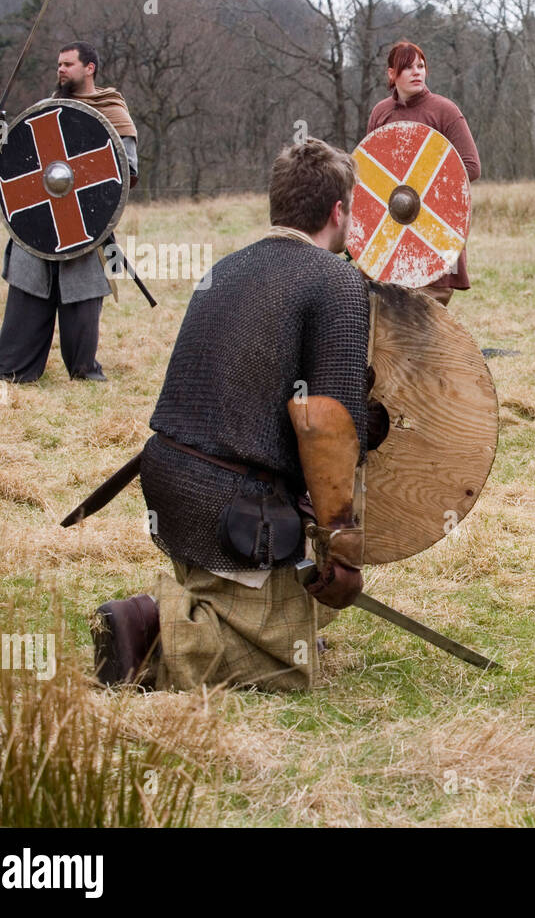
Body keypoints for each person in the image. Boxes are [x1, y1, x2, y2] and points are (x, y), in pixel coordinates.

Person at [90, 138, 386, 692]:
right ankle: (150, 630)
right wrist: (342, 551)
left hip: (169, 481)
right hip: (237, 509)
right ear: (338, 211)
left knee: (275, 614)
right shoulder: (337, 280)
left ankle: (185, 607)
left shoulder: (225, 268)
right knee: (293, 667)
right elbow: (328, 425)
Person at [0, 41, 139, 383]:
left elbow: (126, 172)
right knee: (27, 295)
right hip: (39, 224)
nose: (61, 70)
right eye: (59, 64)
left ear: (90, 68)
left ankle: (84, 370)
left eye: (68, 64)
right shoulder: (45, 110)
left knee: (81, 307)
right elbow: (19, 155)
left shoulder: (112, 113)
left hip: (83, 225)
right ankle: (12, 371)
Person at [365, 39, 481, 306]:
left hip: (432, 225)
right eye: (407, 67)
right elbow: (369, 171)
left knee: (425, 313)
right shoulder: (381, 113)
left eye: (421, 65)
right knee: (385, 312)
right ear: (392, 74)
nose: (417, 72)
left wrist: (423, 184)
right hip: (390, 224)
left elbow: (471, 166)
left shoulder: (444, 110)